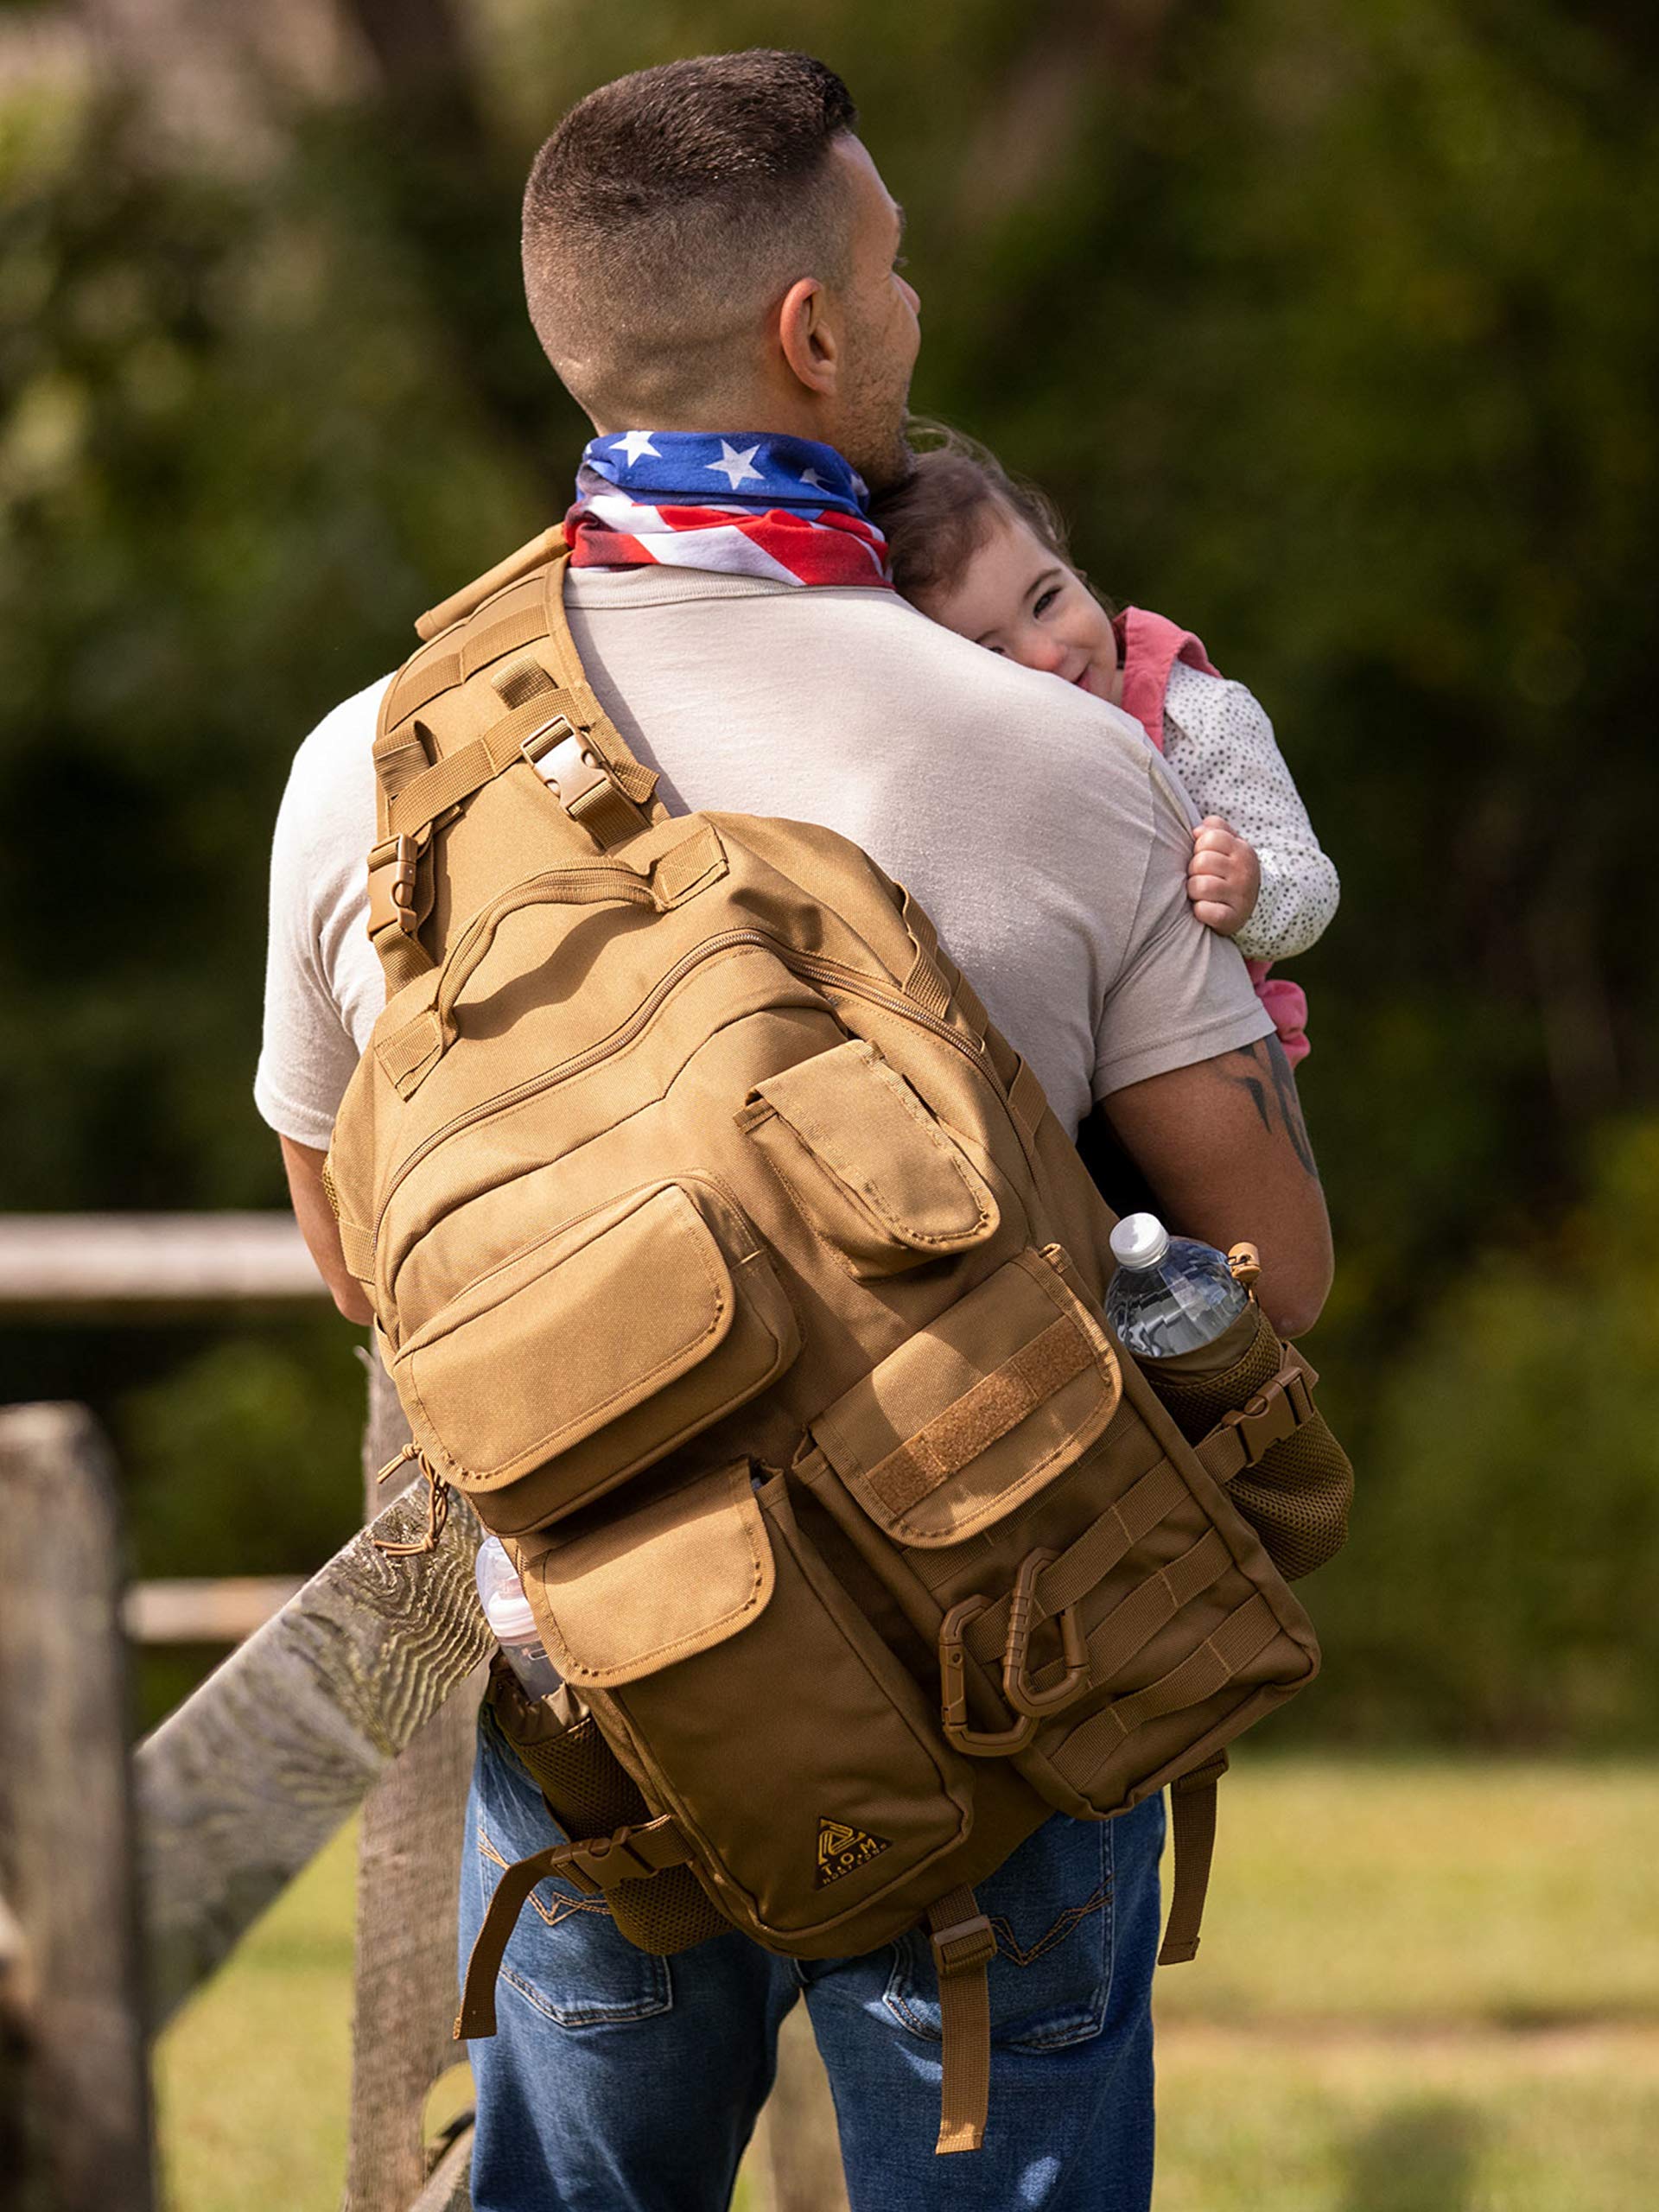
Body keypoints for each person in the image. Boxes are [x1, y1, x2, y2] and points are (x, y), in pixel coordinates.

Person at [257, 50, 1332, 2212]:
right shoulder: (1055, 753)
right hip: (1001, 1683)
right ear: (811, 336)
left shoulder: (366, 762)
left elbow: (369, 1255)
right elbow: (1268, 1275)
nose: (915, 310)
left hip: (597, 1688)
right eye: (895, 267)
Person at [874, 429, 1341, 1068]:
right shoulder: (977, 775)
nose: (1047, 653)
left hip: (1219, 1059)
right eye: (991, 653)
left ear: (1076, 570)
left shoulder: (1198, 717)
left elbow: (1313, 884)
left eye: (1047, 600)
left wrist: (1252, 893)